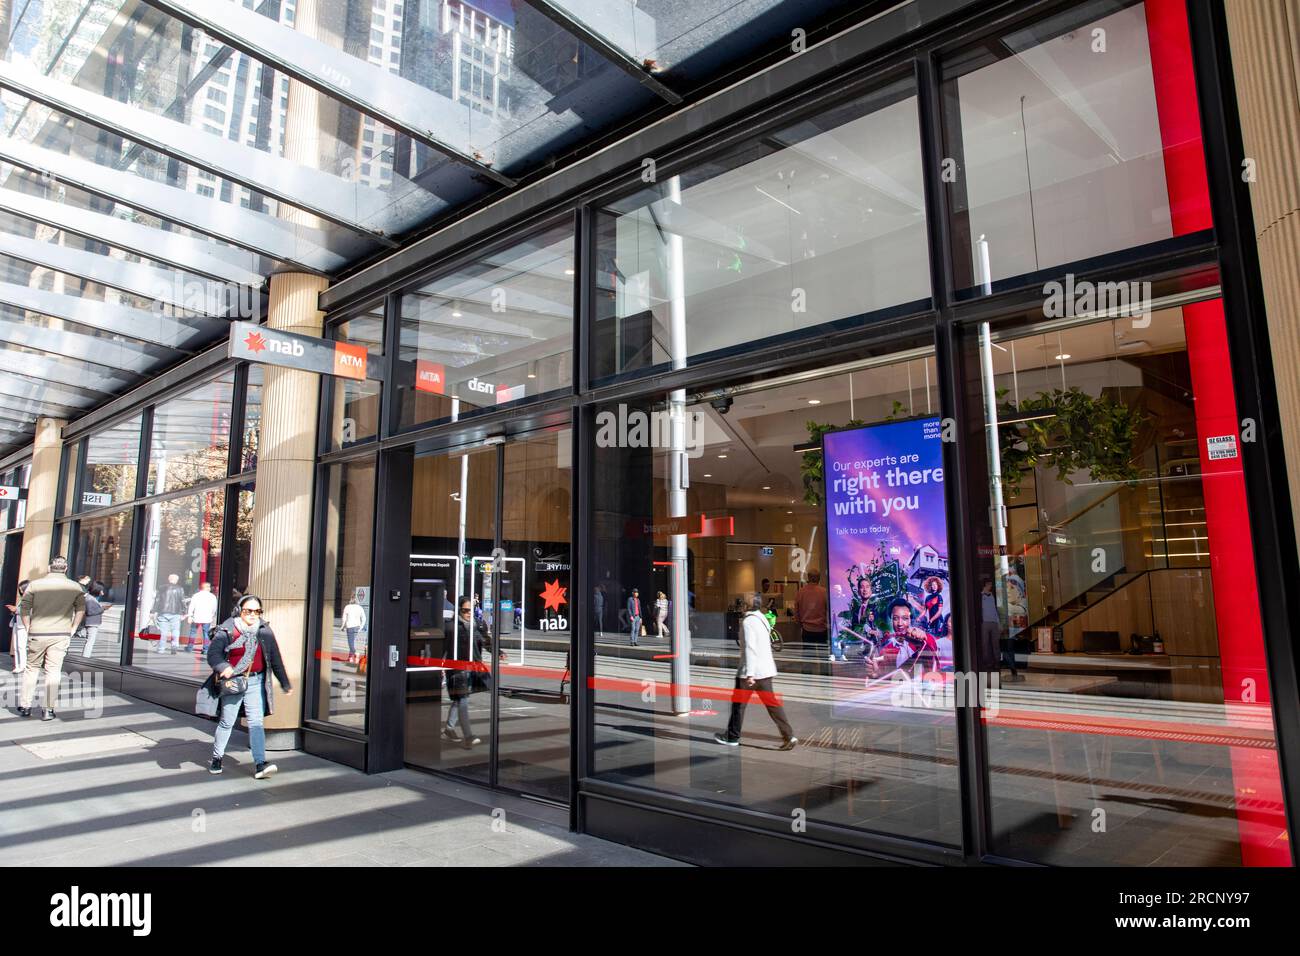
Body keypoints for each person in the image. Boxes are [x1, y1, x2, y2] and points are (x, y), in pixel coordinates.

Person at [203, 594, 292, 778]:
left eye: (257, 611)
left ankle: (260, 764)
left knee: (256, 723)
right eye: (248, 611)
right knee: (227, 721)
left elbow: (275, 658)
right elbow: (213, 655)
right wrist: (223, 667)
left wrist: (285, 682)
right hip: (234, 682)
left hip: (256, 681)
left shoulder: (264, 630)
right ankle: (217, 757)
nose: (253, 614)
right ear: (239, 611)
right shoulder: (228, 630)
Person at [714, 593, 797, 751]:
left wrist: (750, 673)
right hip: (766, 671)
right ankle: (789, 735)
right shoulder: (762, 618)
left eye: (743, 603)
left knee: (738, 705)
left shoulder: (748, 622)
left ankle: (732, 737)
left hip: (750, 673)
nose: (740, 606)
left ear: (747, 606)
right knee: (772, 704)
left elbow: (750, 648)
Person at [17, 557, 84, 720]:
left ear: (49, 568)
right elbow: (81, 609)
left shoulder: (35, 585)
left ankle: (25, 706)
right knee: (53, 671)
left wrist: (28, 626)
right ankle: (48, 709)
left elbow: (24, 608)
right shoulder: (75, 587)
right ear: (66, 568)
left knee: (32, 668)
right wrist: (73, 628)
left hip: (37, 633)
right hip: (61, 634)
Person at [443, 595, 498, 748]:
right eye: (465, 610)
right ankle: (469, 736)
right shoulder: (451, 627)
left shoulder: (475, 625)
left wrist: (497, 651)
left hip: (472, 667)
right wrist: (439, 666)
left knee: (460, 698)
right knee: (463, 700)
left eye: (470, 610)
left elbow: (485, 640)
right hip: (457, 669)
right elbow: (444, 647)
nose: (468, 613)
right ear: (459, 610)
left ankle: (449, 728)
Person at [866, 598, 941, 680]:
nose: (900, 623)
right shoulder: (886, 651)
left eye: (905, 618)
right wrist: (876, 674)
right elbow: (884, 680)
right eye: (895, 618)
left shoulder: (925, 639)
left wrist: (924, 638)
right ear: (891, 620)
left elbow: (936, 665)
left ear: (910, 620)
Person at [152, 573, 186, 654]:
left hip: (163, 612)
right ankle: (174, 645)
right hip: (176, 612)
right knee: (175, 630)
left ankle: (161, 649)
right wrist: (184, 611)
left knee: (163, 631)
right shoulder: (180, 589)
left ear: (168, 579)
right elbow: (182, 601)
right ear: (176, 580)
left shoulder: (161, 588)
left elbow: (157, 600)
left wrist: (153, 611)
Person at [795, 570, 828, 648]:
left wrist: (800, 624)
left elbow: (796, 611)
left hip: (807, 630)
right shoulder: (824, 592)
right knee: (823, 655)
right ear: (819, 579)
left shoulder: (801, 592)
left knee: (808, 655)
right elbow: (828, 610)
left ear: (809, 578)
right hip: (821, 629)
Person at [187, 581, 219, 657]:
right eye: (209, 587)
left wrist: (190, 615)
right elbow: (214, 608)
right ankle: (205, 649)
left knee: (193, 632)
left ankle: (190, 647)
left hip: (196, 617)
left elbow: (191, 606)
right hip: (207, 618)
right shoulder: (212, 597)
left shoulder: (196, 595)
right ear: (207, 588)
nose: (210, 588)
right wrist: (212, 615)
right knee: (206, 634)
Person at [8, 579, 29, 674]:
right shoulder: (23, 599)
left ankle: (22, 665)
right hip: (17, 623)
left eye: (21, 588)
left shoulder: (30, 598)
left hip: (23, 625)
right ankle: (18, 665)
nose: (20, 590)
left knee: (21, 646)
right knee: (17, 646)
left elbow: (29, 611)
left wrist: (16, 610)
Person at [340, 592, 367, 665]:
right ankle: (350, 658)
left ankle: (355, 653)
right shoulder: (360, 607)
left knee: (350, 643)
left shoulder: (347, 607)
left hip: (350, 627)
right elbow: (364, 618)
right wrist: (361, 627)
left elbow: (344, 618)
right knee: (352, 642)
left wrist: (342, 626)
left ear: (351, 599)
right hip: (357, 627)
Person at [82, 582, 106, 658]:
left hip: (91, 623)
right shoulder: (90, 599)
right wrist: (102, 609)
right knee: (90, 641)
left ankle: (86, 656)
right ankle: (85, 657)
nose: (102, 593)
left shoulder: (90, 598)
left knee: (89, 641)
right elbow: (90, 611)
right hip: (91, 623)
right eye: (101, 590)